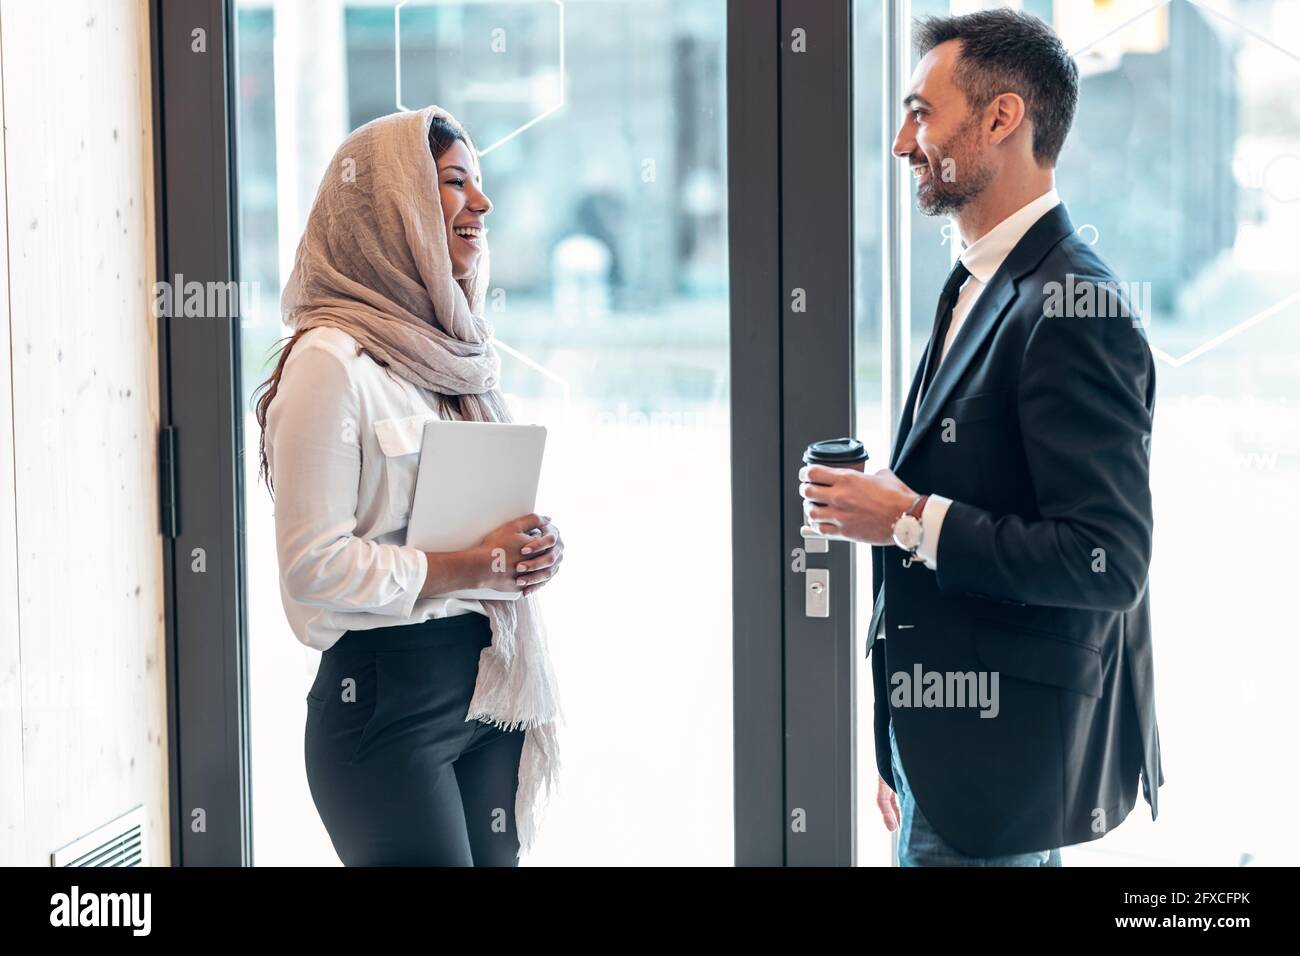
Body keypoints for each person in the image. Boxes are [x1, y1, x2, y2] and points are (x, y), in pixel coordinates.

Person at [799, 9, 1162, 866]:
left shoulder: (1077, 306)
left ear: (1001, 120)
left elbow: (1105, 559)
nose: (900, 143)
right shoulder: (982, 280)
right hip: (945, 762)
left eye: (921, 113)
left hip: (1002, 777)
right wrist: (901, 739)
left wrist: (908, 519)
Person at [254, 106, 565, 866]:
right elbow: (313, 568)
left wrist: (527, 549)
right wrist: (474, 567)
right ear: (393, 206)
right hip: (382, 709)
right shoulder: (330, 363)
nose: (481, 205)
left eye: (481, 184)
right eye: (456, 183)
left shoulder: (456, 355)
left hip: (488, 690)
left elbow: (470, 520)